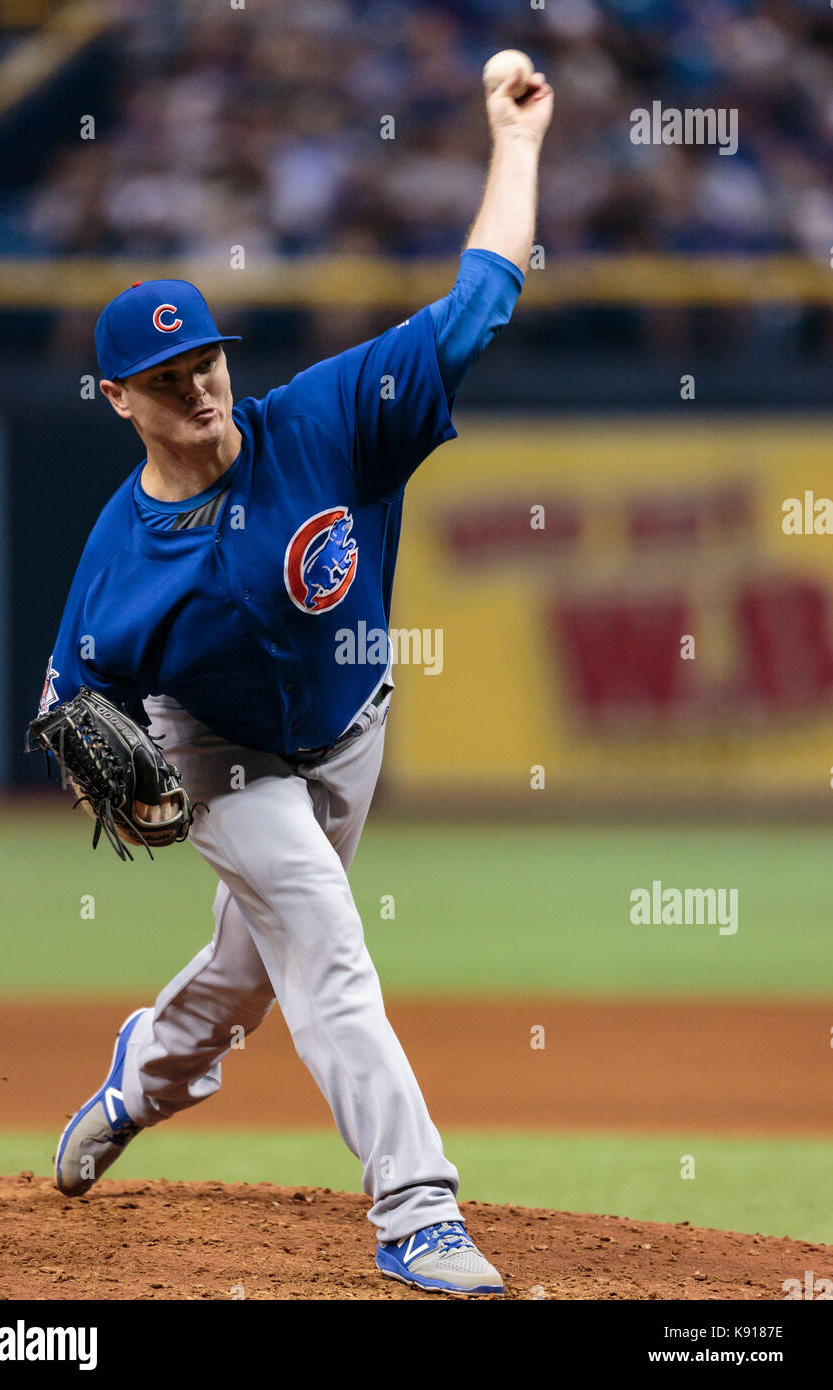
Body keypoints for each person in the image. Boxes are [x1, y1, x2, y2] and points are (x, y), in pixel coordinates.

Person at [41, 64, 553, 1297]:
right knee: (324, 946)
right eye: (167, 380)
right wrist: (116, 774)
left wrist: (512, 140)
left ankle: (144, 1072)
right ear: (119, 399)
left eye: (206, 360)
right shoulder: (114, 566)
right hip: (219, 756)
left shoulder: (324, 421)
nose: (200, 386)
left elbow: (479, 299)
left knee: (245, 975)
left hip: (348, 730)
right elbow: (72, 706)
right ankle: (416, 1211)